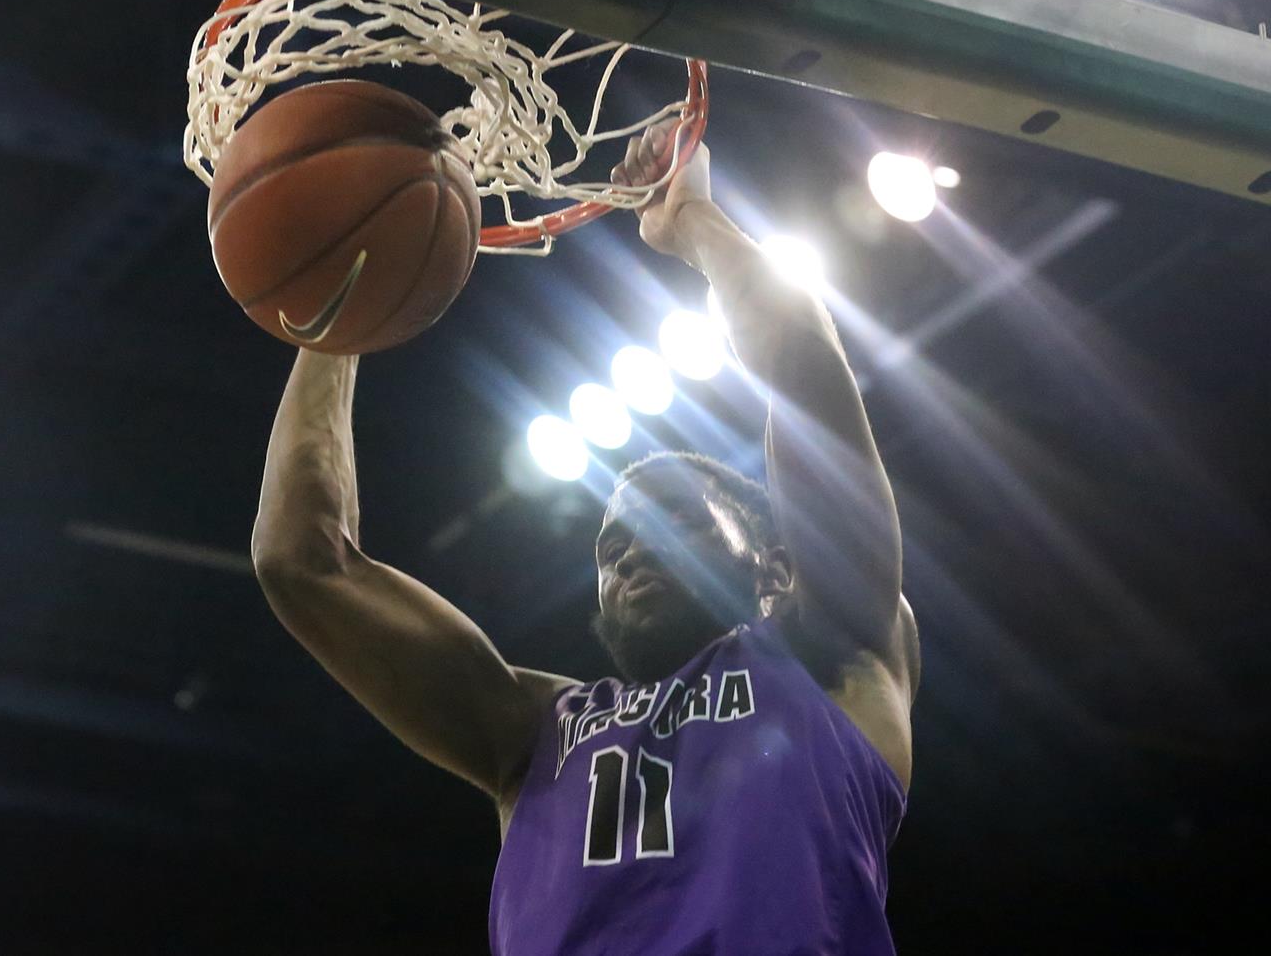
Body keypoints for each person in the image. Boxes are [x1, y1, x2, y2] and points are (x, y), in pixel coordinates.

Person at [251, 121, 920, 955]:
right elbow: (303, 562)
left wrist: (694, 225)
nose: (632, 549)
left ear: (776, 569)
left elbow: (806, 370)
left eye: (675, 514)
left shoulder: (835, 651)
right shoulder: (537, 733)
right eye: (609, 547)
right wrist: (343, 323)